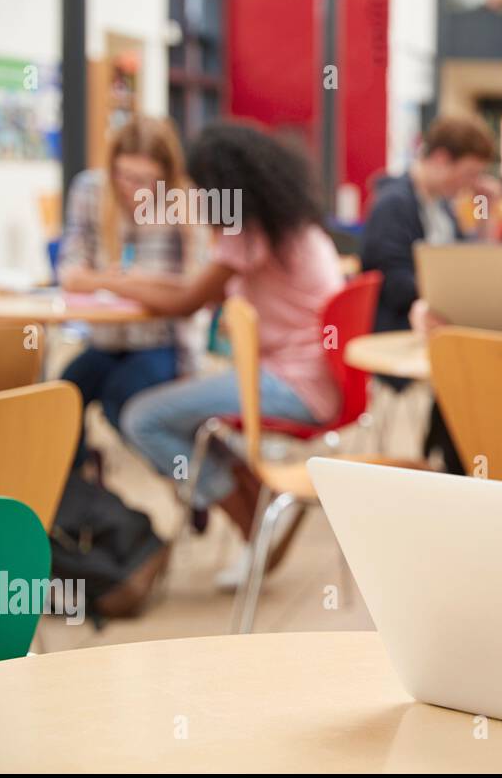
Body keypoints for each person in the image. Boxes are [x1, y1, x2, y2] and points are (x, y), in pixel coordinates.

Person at [94, 122, 343, 570]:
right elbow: (195, 286)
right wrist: (130, 282)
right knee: (183, 420)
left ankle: (254, 532)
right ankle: (261, 519)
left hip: (294, 386)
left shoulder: (245, 232)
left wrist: (110, 282)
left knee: (143, 418)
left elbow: (188, 301)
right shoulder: (286, 224)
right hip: (313, 379)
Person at [361, 113, 497, 474]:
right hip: (401, 330)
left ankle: (451, 463)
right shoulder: (395, 204)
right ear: (440, 160)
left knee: (478, 373)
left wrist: (487, 219)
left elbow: (470, 267)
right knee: (469, 376)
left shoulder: (440, 207)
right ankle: (452, 465)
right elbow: (392, 279)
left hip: (442, 330)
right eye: (468, 174)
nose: (470, 185)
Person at [57, 116, 193, 468]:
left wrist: (107, 280)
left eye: (143, 180)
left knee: (123, 398)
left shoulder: (184, 200)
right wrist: (137, 284)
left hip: (159, 341)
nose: (131, 187)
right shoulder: (90, 190)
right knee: (62, 395)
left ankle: (190, 479)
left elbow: (189, 291)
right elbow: (70, 274)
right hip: (104, 340)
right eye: (123, 175)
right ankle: (81, 494)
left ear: (164, 175)